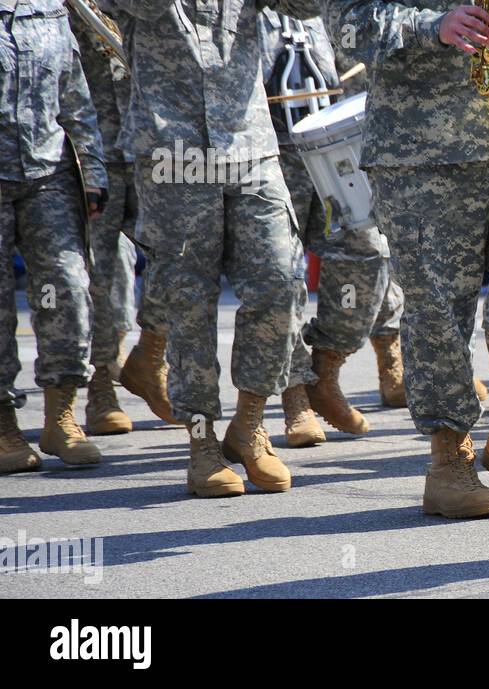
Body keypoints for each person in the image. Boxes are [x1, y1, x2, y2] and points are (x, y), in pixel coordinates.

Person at [324, 0, 489, 518]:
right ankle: (449, 461)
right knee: (440, 306)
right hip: (422, 148)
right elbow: (346, 26)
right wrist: (433, 26)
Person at [108, 0, 321, 497]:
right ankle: (201, 442)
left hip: (249, 144)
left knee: (279, 283)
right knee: (189, 299)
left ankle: (249, 426)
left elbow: (308, 7)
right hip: (172, 149)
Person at [257, 9, 405, 446]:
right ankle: (294, 397)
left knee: (367, 252)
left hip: (329, 144)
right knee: (280, 276)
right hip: (261, 147)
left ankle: (325, 369)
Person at [0, 0, 107, 474]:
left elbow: (76, 96)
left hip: (49, 172)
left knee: (67, 289)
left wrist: (94, 169)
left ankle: (60, 416)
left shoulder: (51, 10)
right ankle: (4, 426)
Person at [68, 8, 138, 438]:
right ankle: (100, 386)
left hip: (158, 145)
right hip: (91, 151)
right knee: (101, 273)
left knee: (183, 263)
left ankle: (154, 362)